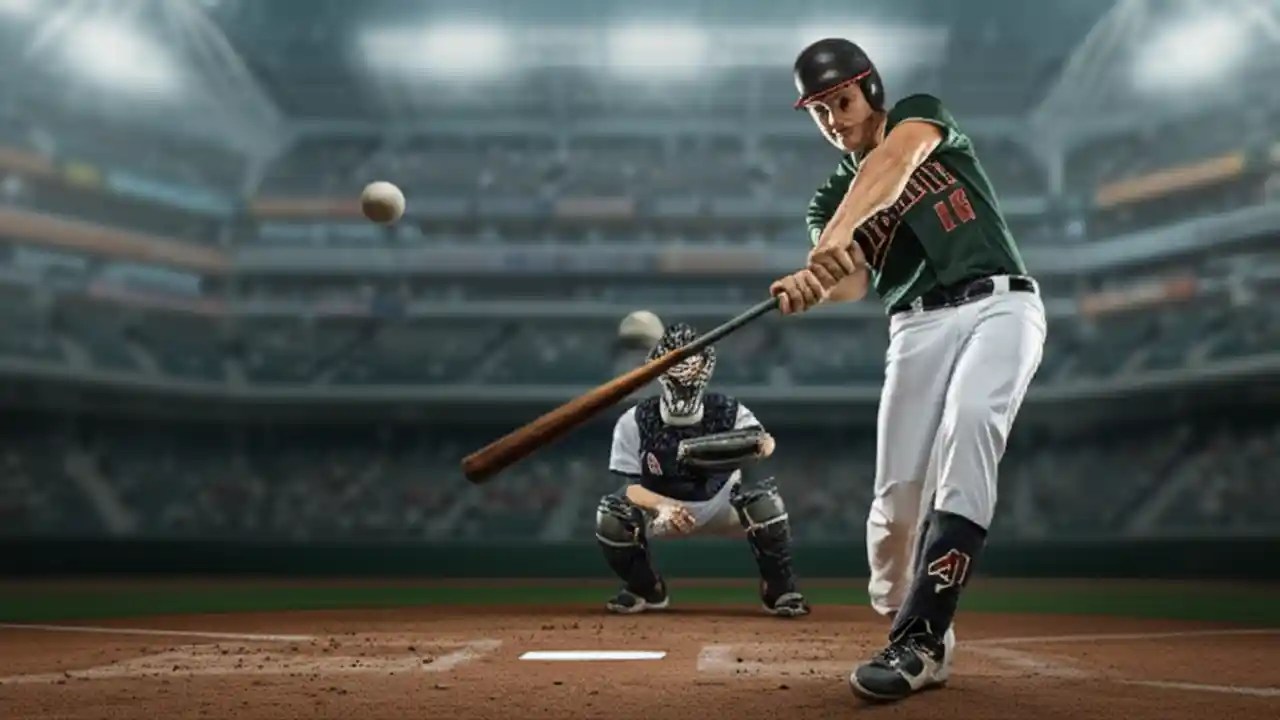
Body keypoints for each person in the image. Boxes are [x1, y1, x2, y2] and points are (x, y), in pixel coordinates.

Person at [768, 39, 1047, 701]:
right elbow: (851, 282)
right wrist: (813, 283)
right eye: (819, 111)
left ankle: (920, 636)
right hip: (916, 326)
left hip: (1000, 304)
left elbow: (895, 162)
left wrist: (834, 237)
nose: (834, 119)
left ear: (870, 88)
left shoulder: (917, 117)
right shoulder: (827, 198)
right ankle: (909, 617)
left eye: (841, 100)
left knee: (973, 423)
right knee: (895, 511)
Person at [593, 323, 810, 617]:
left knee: (766, 503)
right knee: (612, 515)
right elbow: (631, 488)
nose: (683, 368)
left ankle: (779, 589)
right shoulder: (635, 419)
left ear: (705, 363)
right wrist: (662, 506)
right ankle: (646, 588)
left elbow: (766, 444)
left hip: (720, 502)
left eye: (689, 359)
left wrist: (739, 445)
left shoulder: (727, 410)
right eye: (675, 359)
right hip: (662, 510)